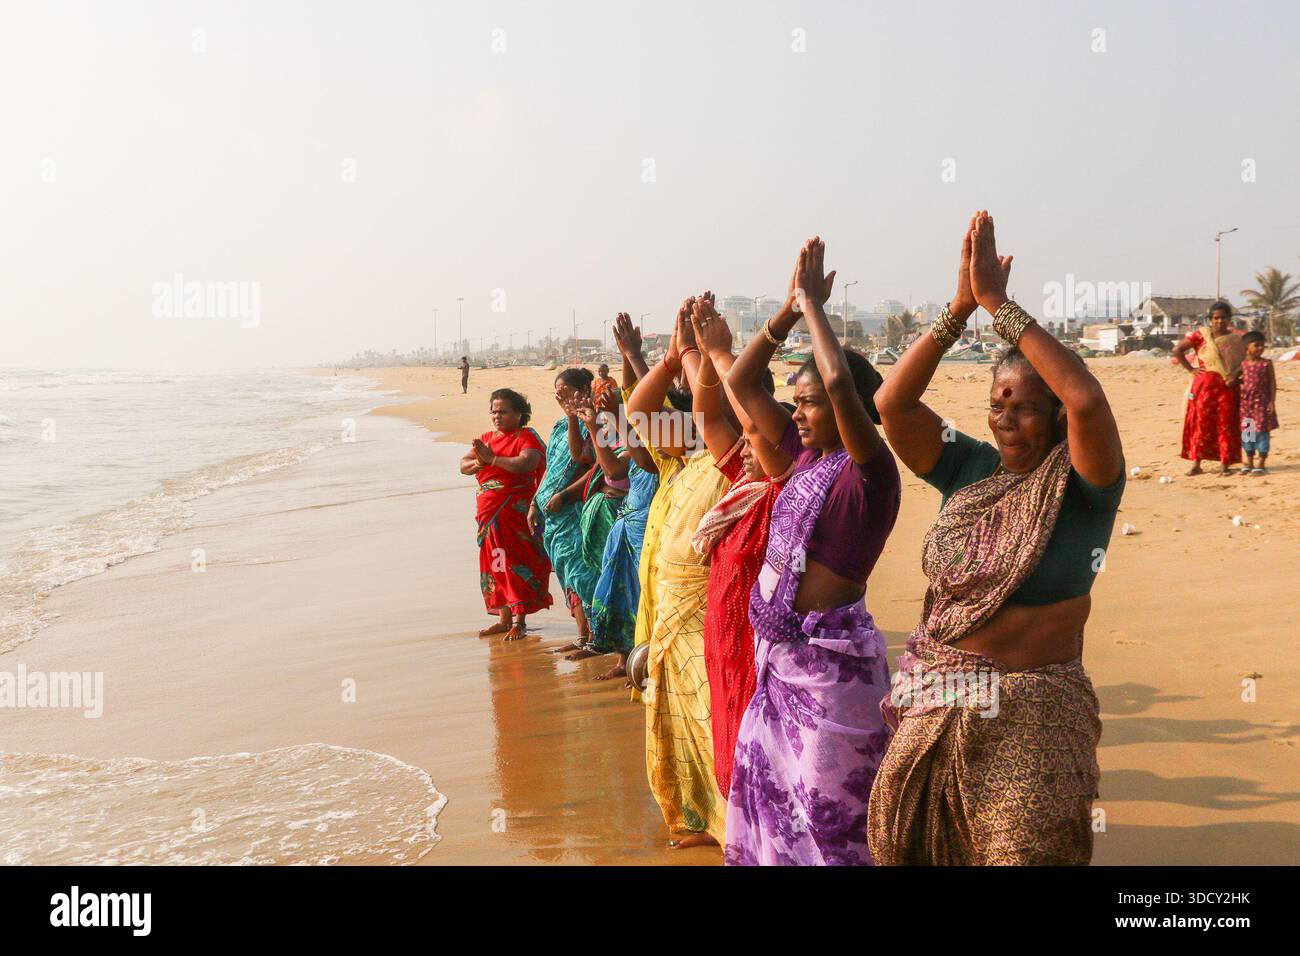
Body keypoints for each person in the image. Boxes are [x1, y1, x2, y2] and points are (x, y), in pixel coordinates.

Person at [868, 211, 1125, 865]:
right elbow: (892, 405)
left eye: (1027, 405)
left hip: (1034, 708)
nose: (1007, 416)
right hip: (943, 693)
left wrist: (1000, 306)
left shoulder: (1085, 484)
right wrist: (957, 309)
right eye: (998, 401)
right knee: (906, 846)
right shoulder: (967, 465)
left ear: (1055, 415)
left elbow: (1090, 400)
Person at [720, 239, 900, 866]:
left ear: (848, 410)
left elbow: (837, 379)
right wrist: (786, 315)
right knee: (773, 805)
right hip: (779, 665)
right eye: (792, 404)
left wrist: (813, 305)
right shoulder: (804, 461)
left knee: (830, 821)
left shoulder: (868, 474)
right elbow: (741, 380)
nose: (796, 414)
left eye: (808, 405)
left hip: (830, 673)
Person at [626, 296, 732, 849]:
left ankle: (726, 823)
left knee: (713, 718)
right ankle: (694, 818)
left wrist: (699, 353)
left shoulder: (734, 459)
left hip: (708, 613)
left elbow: (719, 412)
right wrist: (669, 359)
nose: (692, 414)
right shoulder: (681, 456)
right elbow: (640, 412)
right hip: (669, 611)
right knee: (674, 719)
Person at [687, 293, 793, 800]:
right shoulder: (740, 488)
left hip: (761, 652)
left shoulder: (783, 493)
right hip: (724, 645)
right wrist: (706, 357)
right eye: (744, 443)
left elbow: (748, 421)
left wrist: (724, 353)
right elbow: (708, 419)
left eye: (754, 441)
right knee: (731, 750)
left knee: (764, 764)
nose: (744, 448)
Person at [582, 314, 661, 681]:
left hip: (649, 530)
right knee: (623, 597)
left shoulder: (665, 449)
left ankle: (646, 663)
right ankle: (625, 659)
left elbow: (641, 414)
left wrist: (634, 359)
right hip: (629, 526)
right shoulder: (640, 442)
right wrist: (631, 356)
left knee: (647, 600)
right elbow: (634, 405)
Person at [461, 388, 552, 640]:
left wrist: (492, 460)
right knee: (495, 564)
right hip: (489, 514)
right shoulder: (487, 438)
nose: (496, 416)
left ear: (519, 414)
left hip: (515, 513)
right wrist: (482, 461)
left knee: (516, 563)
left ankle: (519, 620)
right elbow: (464, 465)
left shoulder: (526, 437)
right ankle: (503, 618)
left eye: (503, 411)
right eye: (493, 411)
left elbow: (527, 463)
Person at [528, 368, 600, 644]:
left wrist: (566, 496)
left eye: (566, 391)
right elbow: (551, 470)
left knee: (583, 574)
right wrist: (535, 502)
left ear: (584, 390)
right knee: (567, 575)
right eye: (557, 392)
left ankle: (594, 636)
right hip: (551, 514)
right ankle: (583, 634)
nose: (560, 397)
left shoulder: (598, 421)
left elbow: (583, 460)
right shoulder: (559, 426)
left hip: (574, 510)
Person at [1173, 301, 1244, 475]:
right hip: (1204, 388)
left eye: (1223, 318)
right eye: (1216, 318)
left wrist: (1236, 377)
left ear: (1229, 319)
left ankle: (1225, 464)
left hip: (1228, 388)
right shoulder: (1200, 336)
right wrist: (1191, 369)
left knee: (1226, 424)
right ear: (1210, 319)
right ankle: (1196, 464)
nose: (1220, 321)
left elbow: (1245, 362)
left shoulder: (1236, 340)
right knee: (1201, 423)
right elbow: (1177, 350)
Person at [1238, 330, 1279, 475]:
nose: (1260, 348)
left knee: (1262, 432)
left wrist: (1272, 401)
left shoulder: (1267, 364)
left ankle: (1261, 462)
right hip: (1246, 404)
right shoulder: (1243, 364)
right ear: (1246, 348)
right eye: (1256, 345)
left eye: (1262, 345)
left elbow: (1272, 383)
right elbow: (1234, 379)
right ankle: (1249, 461)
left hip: (1262, 403)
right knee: (1247, 432)